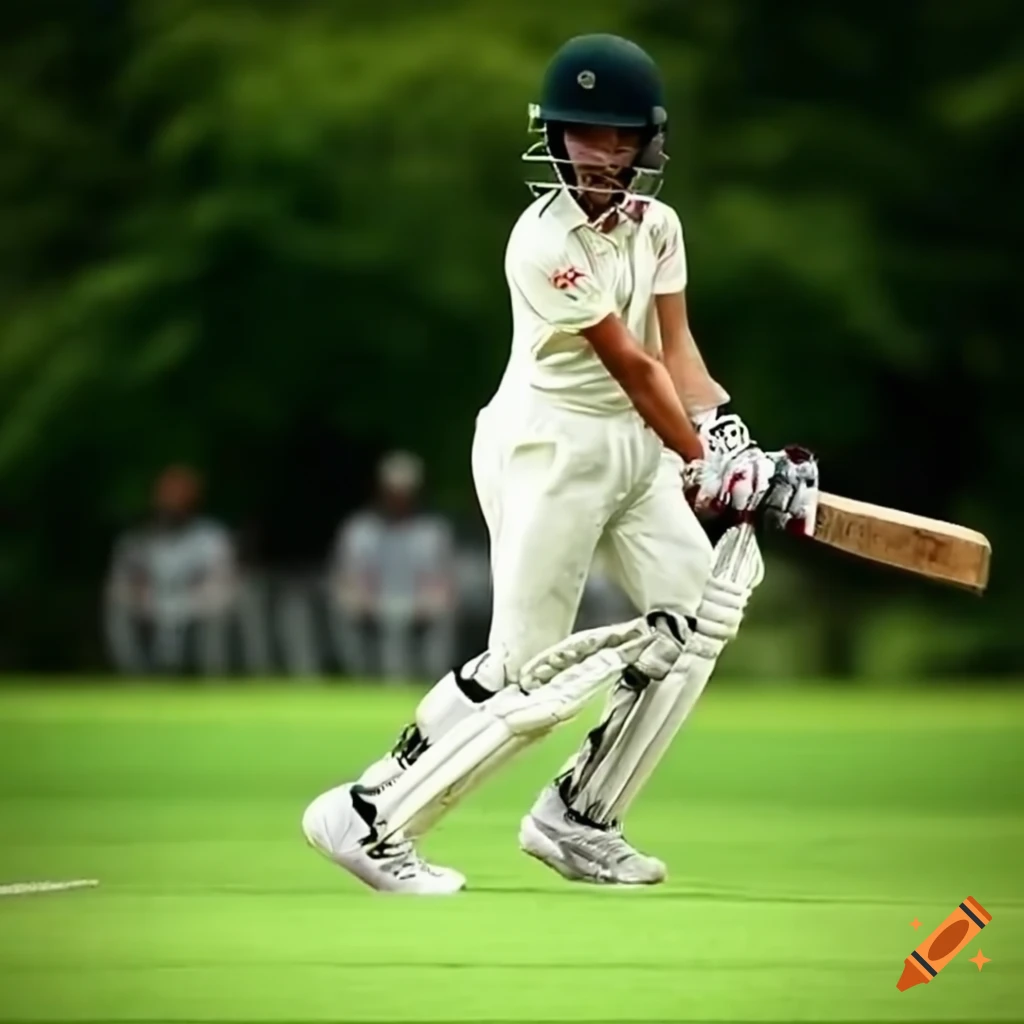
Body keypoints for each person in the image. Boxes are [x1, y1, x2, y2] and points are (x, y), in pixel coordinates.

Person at [302, 34, 819, 893]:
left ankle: (579, 818)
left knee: (701, 614)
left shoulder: (659, 227)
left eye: (618, 137)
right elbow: (631, 363)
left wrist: (727, 436)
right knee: (526, 675)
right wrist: (704, 460)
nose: (601, 153)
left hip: (639, 448)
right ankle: (366, 817)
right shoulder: (541, 242)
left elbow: (677, 352)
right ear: (555, 136)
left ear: (648, 141)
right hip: (547, 447)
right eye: (583, 133)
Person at [329, 450, 457, 681]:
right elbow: (350, 576)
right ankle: (359, 677)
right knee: (346, 610)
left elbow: (443, 579)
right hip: (372, 606)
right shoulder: (361, 529)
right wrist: (364, 604)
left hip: (421, 607)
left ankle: (433, 677)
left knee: (442, 616)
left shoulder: (432, 531)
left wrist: (428, 605)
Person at [104, 464, 238, 675]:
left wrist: (183, 606)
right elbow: (119, 586)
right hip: (148, 613)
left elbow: (223, 587)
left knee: (221, 613)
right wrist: (148, 603)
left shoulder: (210, 538)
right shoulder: (136, 541)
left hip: (196, 614)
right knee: (117, 611)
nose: (171, 503)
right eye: (167, 496)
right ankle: (134, 678)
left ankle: (213, 677)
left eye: (179, 496)